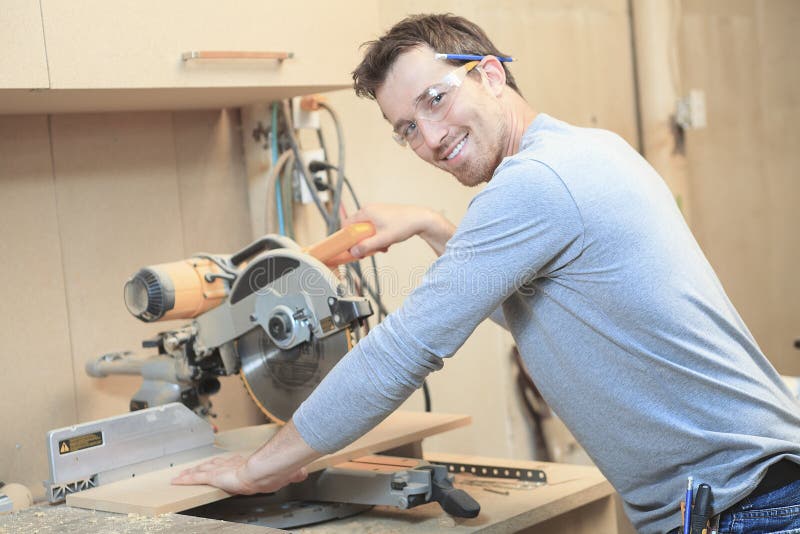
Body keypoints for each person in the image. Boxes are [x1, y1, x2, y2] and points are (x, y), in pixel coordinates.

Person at [173, 13, 800, 533]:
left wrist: (256, 470)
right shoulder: (587, 149)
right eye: (407, 128)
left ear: (491, 74)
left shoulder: (534, 184)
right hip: (751, 494)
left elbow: (402, 351)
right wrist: (431, 224)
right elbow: (538, 305)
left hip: (749, 508)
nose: (430, 137)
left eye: (436, 99)